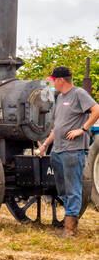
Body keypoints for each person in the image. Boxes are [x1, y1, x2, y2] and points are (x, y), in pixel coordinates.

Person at [35, 65, 99, 236]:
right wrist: (44, 146)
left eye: (54, 81)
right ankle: (69, 221)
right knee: (62, 189)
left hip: (73, 150)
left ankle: (70, 229)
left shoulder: (78, 94)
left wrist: (82, 129)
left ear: (61, 80)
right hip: (58, 150)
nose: (53, 84)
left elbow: (96, 110)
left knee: (72, 188)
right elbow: (57, 128)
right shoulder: (59, 99)